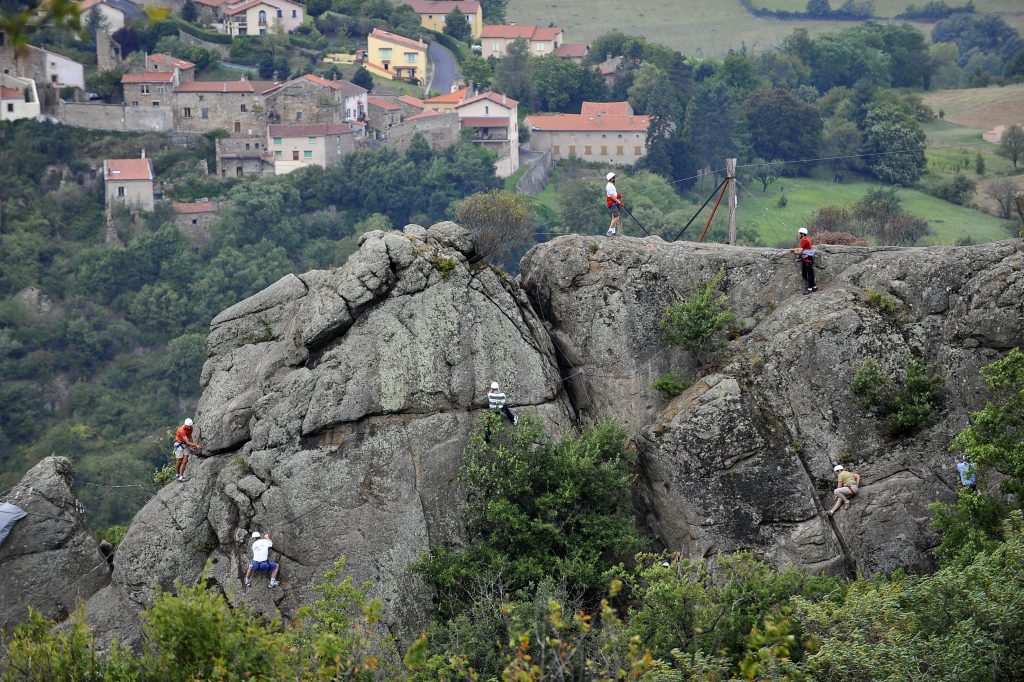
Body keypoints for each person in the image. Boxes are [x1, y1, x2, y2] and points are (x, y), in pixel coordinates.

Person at [790, 227, 817, 295]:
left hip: (807, 259)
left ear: (802, 234)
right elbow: (802, 248)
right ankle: (814, 286)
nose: (798, 235)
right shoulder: (806, 239)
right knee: (807, 274)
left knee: (807, 274)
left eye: (799, 233)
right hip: (807, 259)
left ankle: (810, 288)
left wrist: (794, 251)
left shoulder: (804, 240)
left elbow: (800, 252)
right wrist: (795, 249)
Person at [173, 418, 201, 482]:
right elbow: (187, 441)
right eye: (187, 426)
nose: (188, 427)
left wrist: (192, 445)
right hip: (179, 444)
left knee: (185, 461)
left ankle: (181, 476)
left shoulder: (191, 428)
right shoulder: (181, 430)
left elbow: (190, 437)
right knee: (179, 460)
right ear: (184, 424)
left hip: (185, 445)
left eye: (189, 426)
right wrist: (195, 445)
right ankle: (177, 474)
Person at [606, 172, 623, 237]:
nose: (615, 178)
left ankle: (613, 232)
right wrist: (619, 202)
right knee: (617, 217)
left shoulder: (611, 185)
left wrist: (618, 195)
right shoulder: (609, 186)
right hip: (613, 204)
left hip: (614, 203)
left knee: (614, 217)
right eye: (614, 177)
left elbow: (614, 194)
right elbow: (612, 196)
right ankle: (609, 231)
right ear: (611, 179)